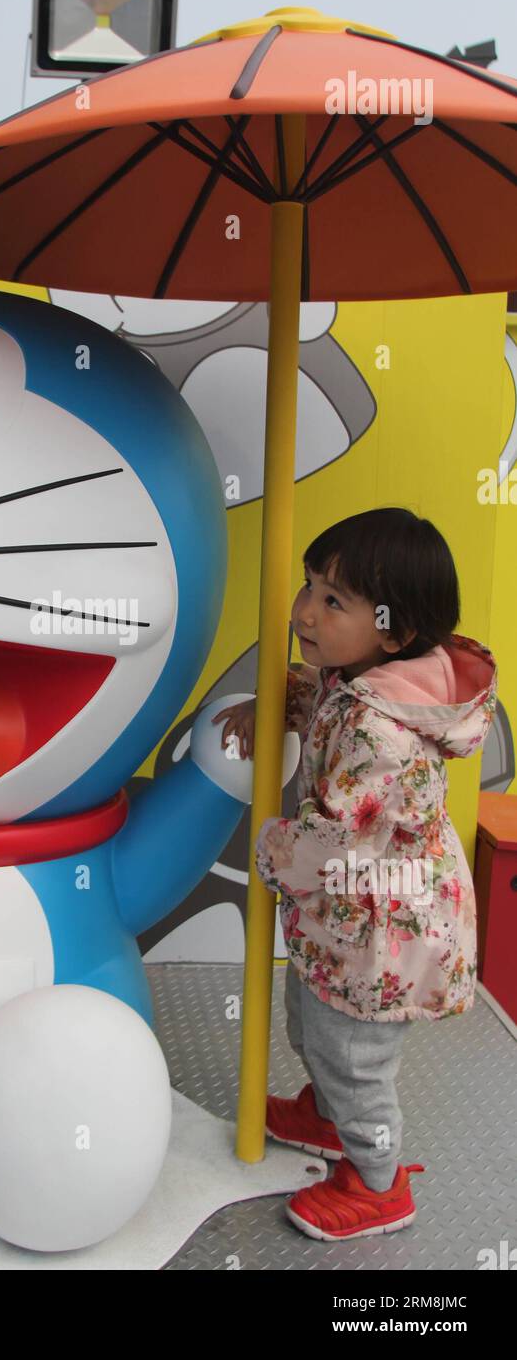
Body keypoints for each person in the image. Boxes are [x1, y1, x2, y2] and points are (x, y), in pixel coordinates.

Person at [213, 508, 498, 1242]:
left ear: (394, 631)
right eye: (310, 586)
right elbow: (332, 701)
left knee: (354, 1058)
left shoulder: (383, 732)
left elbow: (338, 838)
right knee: (313, 1026)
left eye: (333, 600)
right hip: (348, 922)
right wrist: (282, 698)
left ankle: (379, 1183)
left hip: (378, 936)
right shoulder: (364, 683)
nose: (305, 609)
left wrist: (273, 850)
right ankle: (328, 1115)